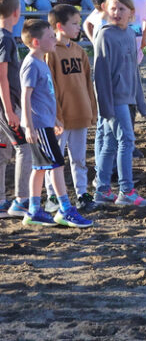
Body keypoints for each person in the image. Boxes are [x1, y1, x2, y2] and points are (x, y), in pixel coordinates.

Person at [18, 19, 92, 227]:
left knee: (40, 167)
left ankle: (33, 210)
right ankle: (65, 209)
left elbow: (43, 97)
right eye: (50, 37)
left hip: (45, 122)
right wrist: (30, 126)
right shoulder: (31, 64)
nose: (53, 40)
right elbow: (26, 96)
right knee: (57, 165)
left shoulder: (41, 60)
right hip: (38, 126)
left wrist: (55, 118)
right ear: (35, 42)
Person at [92, 0, 146, 207]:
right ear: (106, 10)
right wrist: (105, 106)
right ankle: (126, 190)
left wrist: (139, 99)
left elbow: (133, 69)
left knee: (110, 143)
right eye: (113, 8)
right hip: (114, 99)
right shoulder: (105, 35)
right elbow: (100, 74)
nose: (117, 13)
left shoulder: (129, 34)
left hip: (126, 97)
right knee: (126, 141)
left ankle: (102, 189)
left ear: (132, 13)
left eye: (122, 9)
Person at [41, 5, 98, 213]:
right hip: (60, 118)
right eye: (74, 24)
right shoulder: (51, 53)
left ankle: (82, 194)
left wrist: (92, 109)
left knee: (79, 159)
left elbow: (87, 83)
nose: (78, 28)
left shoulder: (80, 50)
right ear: (59, 26)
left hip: (80, 114)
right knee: (56, 160)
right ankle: (52, 197)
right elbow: (50, 88)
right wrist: (56, 115)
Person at [0, 0, 34, 219]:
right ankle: (22, 199)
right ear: (17, 12)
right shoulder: (5, 39)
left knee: (3, 152)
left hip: (4, 106)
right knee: (25, 148)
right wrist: (10, 110)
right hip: (6, 106)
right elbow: (2, 76)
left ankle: (2, 200)